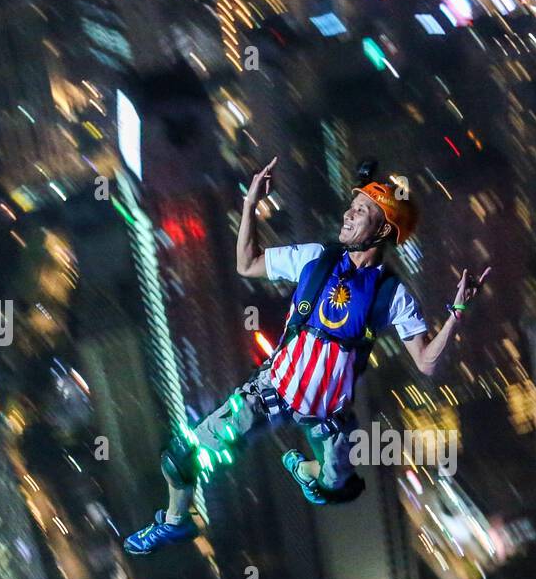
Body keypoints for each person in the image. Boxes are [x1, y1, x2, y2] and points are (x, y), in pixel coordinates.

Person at [123, 156, 490, 555]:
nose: (349, 214)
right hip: (270, 394)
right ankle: (175, 523)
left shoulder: (390, 294)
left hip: (326, 417)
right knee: (180, 460)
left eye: (362, 211)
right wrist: (250, 205)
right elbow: (248, 264)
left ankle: (300, 467)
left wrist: (457, 315)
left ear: (383, 229)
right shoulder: (317, 258)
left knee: (337, 488)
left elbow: (426, 361)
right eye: (353, 206)